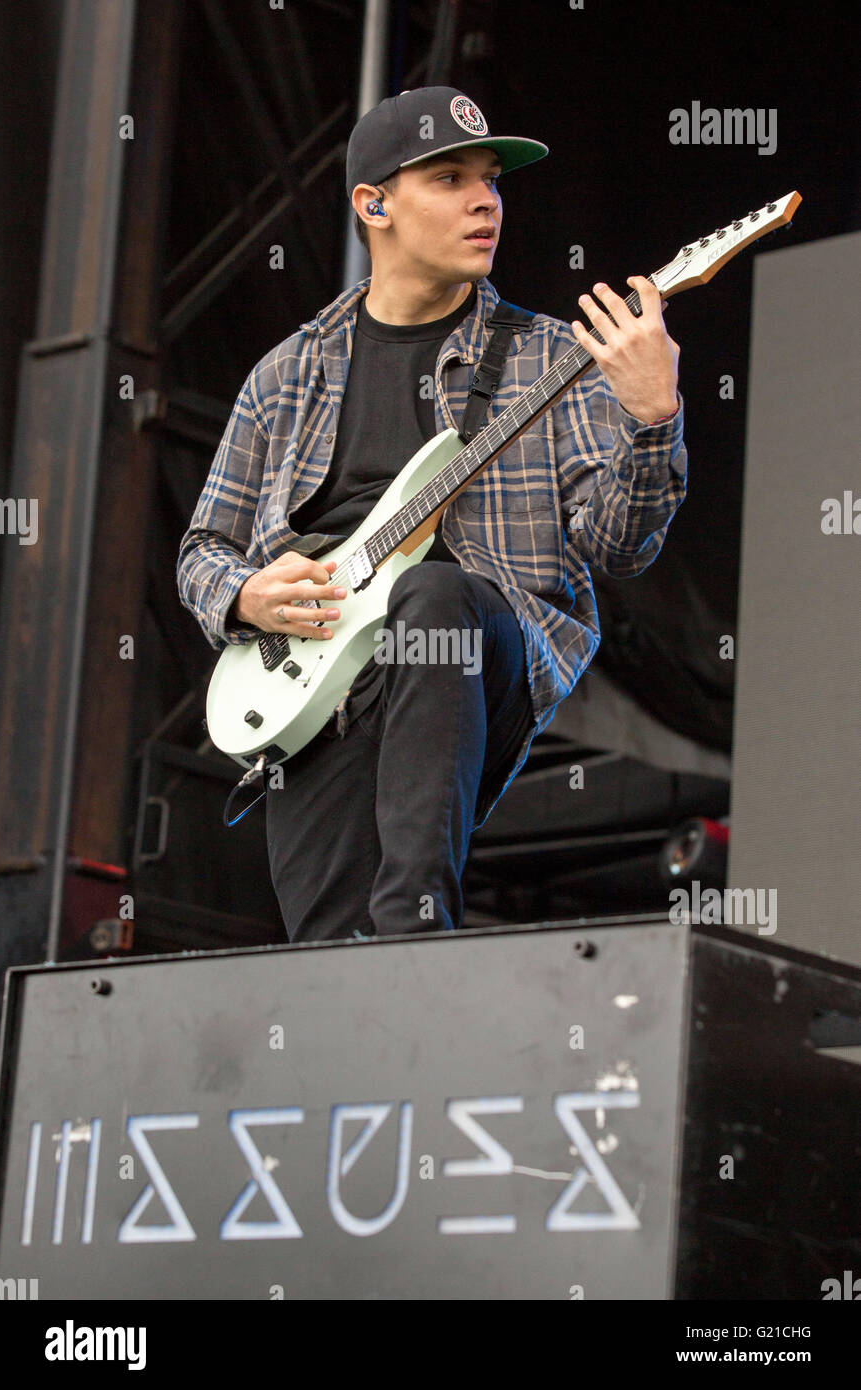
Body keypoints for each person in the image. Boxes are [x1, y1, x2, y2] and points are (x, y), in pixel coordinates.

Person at [176, 86, 686, 944]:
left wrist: (652, 418)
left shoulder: (551, 357)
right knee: (324, 955)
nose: (486, 201)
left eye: (491, 179)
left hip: (477, 651)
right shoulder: (287, 373)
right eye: (450, 179)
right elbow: (203, 548)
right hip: (316, 678)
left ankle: (417, 934)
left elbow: (618, 548)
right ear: (373, 205)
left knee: (436, 596)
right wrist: (246, 595)